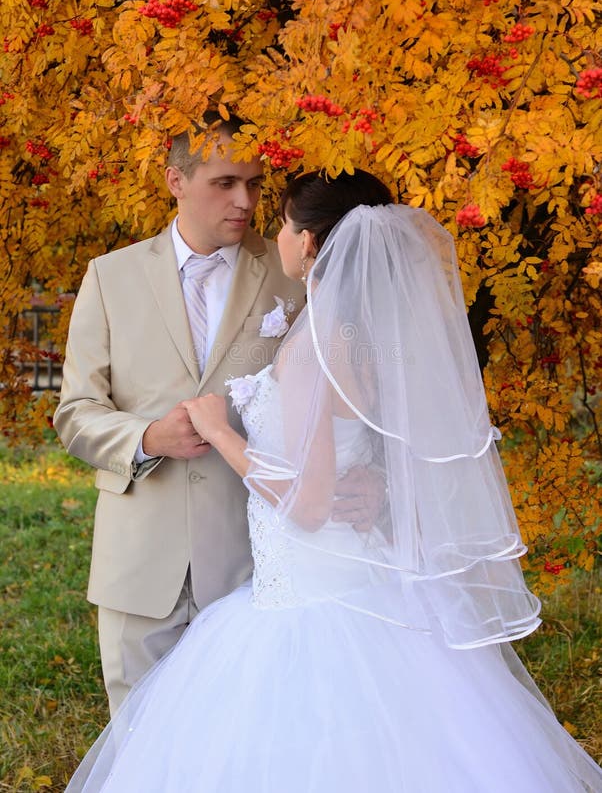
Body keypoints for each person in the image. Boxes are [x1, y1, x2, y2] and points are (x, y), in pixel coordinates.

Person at [66, 169, 602, 792]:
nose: (272, 230)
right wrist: (371, 473)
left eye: (284, 222)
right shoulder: (361, 332)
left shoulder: (314, 339)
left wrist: (222, 433)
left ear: (312, 243)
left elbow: (310, 501)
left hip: (307, 592)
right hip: (357, 579)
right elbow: (373, 432)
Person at [53, 111, 306, 715]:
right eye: (225, 183)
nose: (245, 201)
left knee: (245, 741)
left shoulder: (291, 273)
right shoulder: (109, 278)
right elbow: (76, 412)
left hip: (254, 563)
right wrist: (148, 435)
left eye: (254, 184)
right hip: (140, 564)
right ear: (176, 181)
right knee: (141, 743)